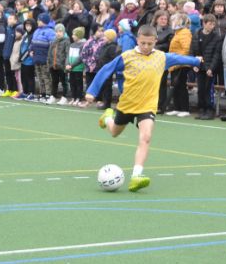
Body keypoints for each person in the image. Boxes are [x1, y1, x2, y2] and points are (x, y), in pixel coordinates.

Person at [86, 25, 203, 192]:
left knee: (146, 137)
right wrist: (92, 91)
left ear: (155, 41)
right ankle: (107, 119)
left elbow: (179, 58)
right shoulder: (127, 56)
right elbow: (107, 69)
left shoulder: (161, 57)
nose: (146, 47)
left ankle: (136, 176)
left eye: (150, 43)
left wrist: (196, 61)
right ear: (137, 40)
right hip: (127, 104)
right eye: (143, 43)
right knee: (114, 132)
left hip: (147, 106)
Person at [191, 14, 221, 120]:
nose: (212, 26)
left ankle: (209, 110)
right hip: (199, 67)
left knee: (209, 89)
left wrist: (211, 68)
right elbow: (192, 51)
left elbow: (216, 54)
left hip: (209, 68)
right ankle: (201, 109)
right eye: (210, 24)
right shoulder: (197, 34)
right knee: (201, 89)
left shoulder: (216, 36)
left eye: (213, 24)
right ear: (204, 23)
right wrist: (194, 64)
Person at [166, 13, 193, 117]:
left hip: (181, 63)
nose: (172, 22)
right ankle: (177, 108)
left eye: (174, 20)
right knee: (176, 86)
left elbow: (186, 49)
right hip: (175, 63)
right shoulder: (178, 33)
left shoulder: (185, 32)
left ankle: (185, 109)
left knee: (181, 86)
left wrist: (178, 60)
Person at [47, 24, 70, 104]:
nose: (58, 33)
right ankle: (53, 96)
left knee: (64, 82)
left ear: (63, 32)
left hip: (62, 66)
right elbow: (49, 53)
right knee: (54, 81)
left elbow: (67, 53)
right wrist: (49, 63)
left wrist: (66, 64)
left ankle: (64, 97)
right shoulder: (53, 41)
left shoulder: (66, 41)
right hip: (53, 65)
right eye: (56, 31)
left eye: (60, 31)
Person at [66, 27, 87, 106]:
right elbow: (68, 56)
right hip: (71, 68)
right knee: (72, 83)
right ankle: (73, 97)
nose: (72, 36)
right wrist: (67, 64)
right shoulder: (71, 45)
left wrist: (71, 65)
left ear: (79, 36)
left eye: (74, 35)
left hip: (78, 68)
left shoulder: (83, 45)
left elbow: (80, 58)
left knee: (78, 84)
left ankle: (79, 98)